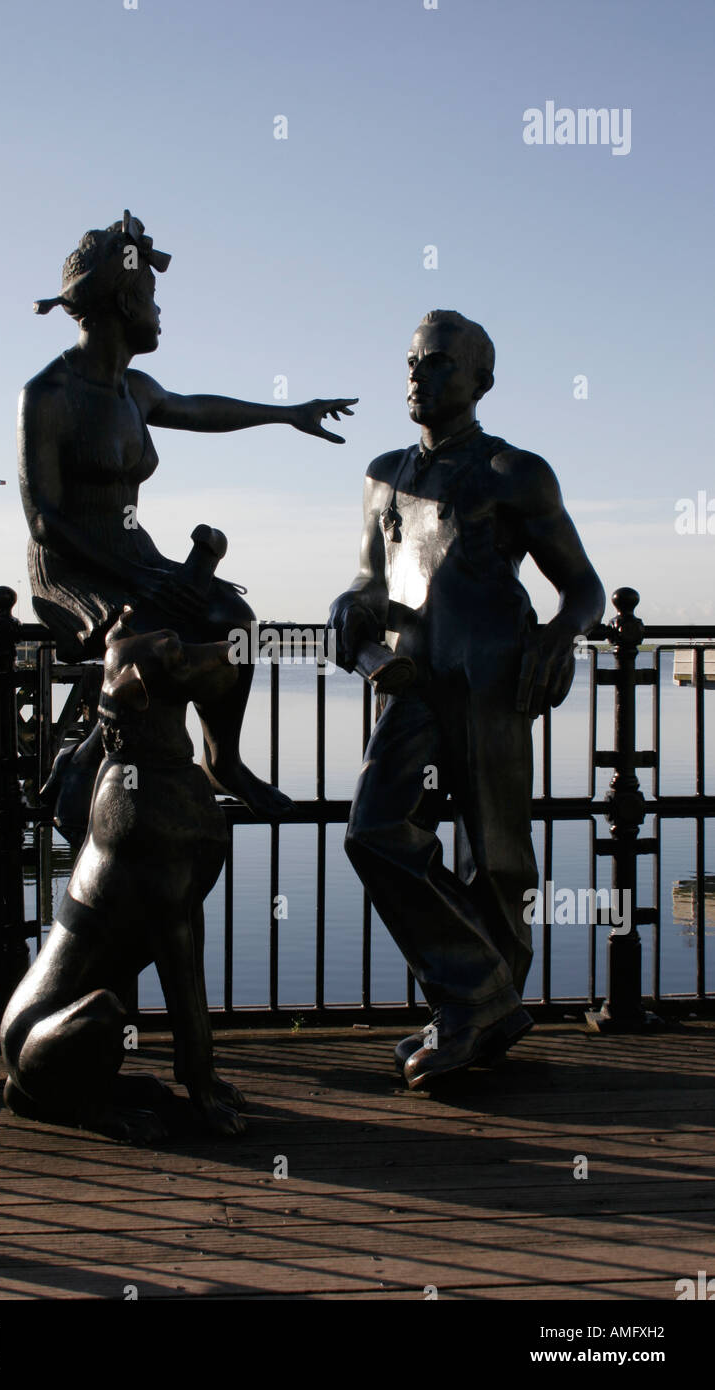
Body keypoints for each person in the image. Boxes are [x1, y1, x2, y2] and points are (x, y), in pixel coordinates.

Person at [329, 309, 605, 1086]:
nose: (419, 373)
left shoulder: (514, 472)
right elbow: (371, 582)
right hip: (412, 679)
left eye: (440, 362)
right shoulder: (384, 474)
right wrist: (350, 608)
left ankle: (472, 1013)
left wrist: (558, 636)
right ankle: (478, 996)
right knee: (374, 830)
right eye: (414, 360)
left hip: (490, 679)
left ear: (481, 379)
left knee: (500, 857)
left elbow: (582, 585)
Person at [20, 211, 356, 818]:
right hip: (72, 565)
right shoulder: (47, 395)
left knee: (232, 617)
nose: (158, 311)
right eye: (150, 297)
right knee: (152, 631)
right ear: (124, 302)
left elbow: (200, 409)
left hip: (132, 557)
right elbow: (44, 519)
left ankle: (221, 760)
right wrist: (144, 580)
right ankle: (89, 759)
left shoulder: (136, 390)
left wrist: (288, 413)